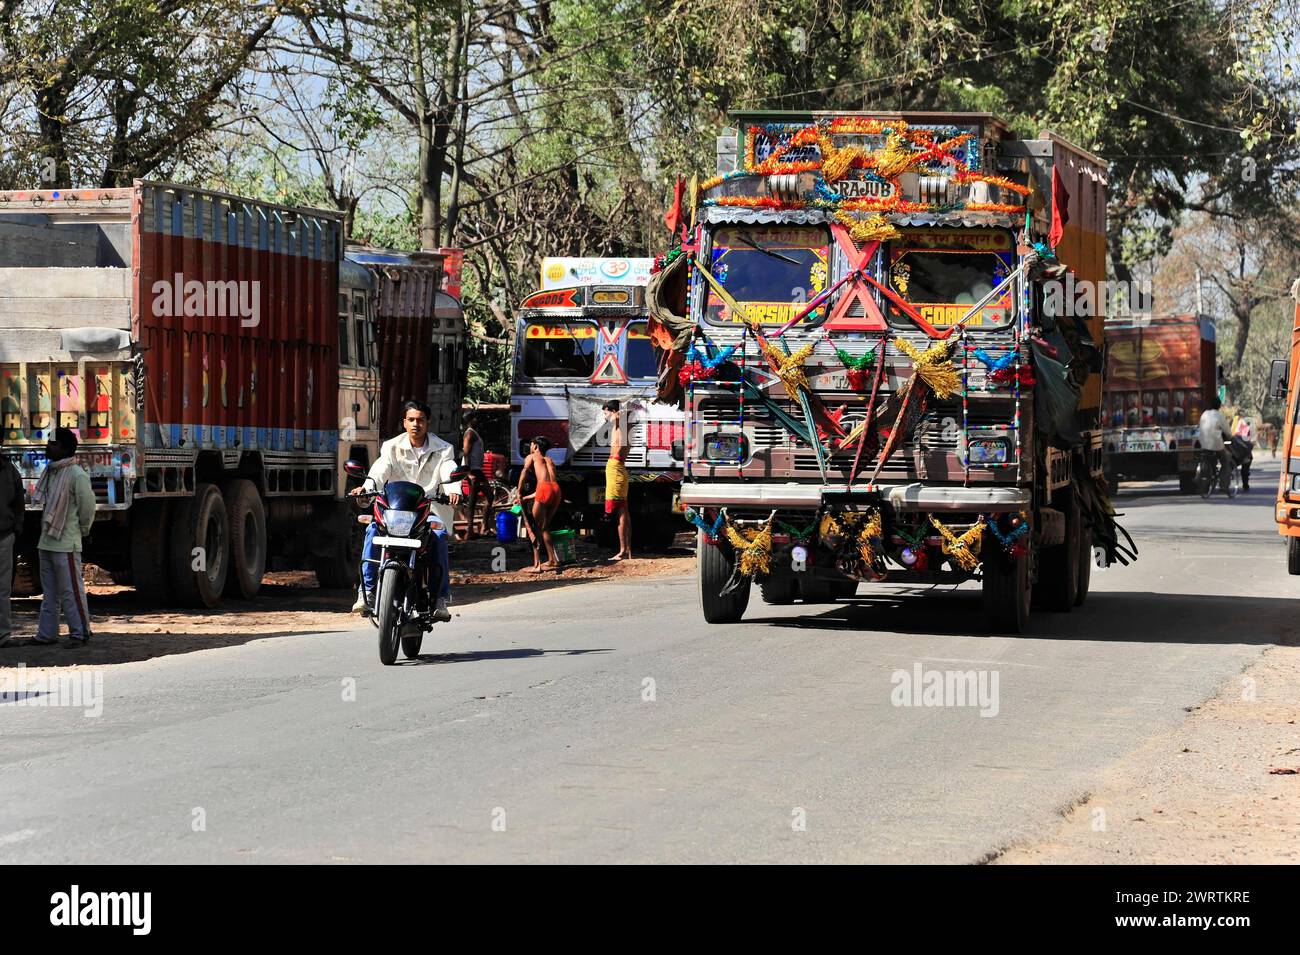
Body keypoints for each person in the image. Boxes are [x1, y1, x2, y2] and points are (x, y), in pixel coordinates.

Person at [350, 400, 461, 621]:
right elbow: (380, 470)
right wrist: (367, 488)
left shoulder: (443, 449)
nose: (415, 424)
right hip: (394, 512)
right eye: (411, 420)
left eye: (420, 420)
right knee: (372, 531)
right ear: (404, 422)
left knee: (438, 536)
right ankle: (367, 592)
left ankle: (440, 598)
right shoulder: (391, 447)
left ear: (428, 422)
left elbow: (450, 469)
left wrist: (453, 489)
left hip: (427, 510)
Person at [32, 428, 95, 647]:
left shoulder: (77, 474)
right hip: (47, 541)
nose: (48, 447)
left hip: (66, 543)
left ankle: (80, 633)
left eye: (53, 444)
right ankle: (46, 635)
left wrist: (84, 532)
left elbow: (88, 508)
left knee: (71, 591)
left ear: (65, 448)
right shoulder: (51, 472)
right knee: (50, 594)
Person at [517, 436, 562, 571]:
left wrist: (519, 491)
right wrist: (526, 498)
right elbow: (548, 485)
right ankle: (553, 560)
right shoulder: (550, 460)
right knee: (545, 527)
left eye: (531, 444)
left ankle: (537, 565)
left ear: (535, 446)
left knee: (537, 528)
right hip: (556, 490)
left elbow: (524, 473)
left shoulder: (531, 457)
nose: (530, 447)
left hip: (544, 489)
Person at [0, 448, 25, 648]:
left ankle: (3, 636)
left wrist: (16, 528)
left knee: (2, 589)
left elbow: (19, 502)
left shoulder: (9, 470)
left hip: (4, 536)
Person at [603, 399, 632, 561]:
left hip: (615, 468)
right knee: (624, 511)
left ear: (611, 410)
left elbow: (616, 416)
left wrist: (615, 414)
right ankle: (626, 549)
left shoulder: (618, 422)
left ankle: (623, 550)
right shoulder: (625, 427)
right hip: (618, 468)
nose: (604, 417)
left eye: (605, 412)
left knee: (620, 511)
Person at [459, 411, 488, 541]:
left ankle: (481, 528)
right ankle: (472, 530)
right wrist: (468, 473)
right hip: (473, 471)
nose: (477, 420)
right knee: (472, 501)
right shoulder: (469, 433)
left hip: (477, 470)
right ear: (471, 420)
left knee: (484, 498)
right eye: (475, 418)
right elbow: (465, 453)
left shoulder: (473, 433)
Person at [1197, 397, 1233, 494]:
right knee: (1226, 461)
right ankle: (1223, 485)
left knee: (1206, 459)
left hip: (1203, 444)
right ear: (1219, 406)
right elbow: (1227, 431)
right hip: (1216, 445)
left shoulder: (1204, 414)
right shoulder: (1219, 415)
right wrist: (1230, 437)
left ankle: (1205, 479)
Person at [1230, 412, 1255, 491]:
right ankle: (1245, 484)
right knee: (1246, 465)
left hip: (1234, 451)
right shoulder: (1245, 425)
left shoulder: (1233, 424)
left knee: (1229, 465)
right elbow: (1247, 440)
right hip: (1243, 452)